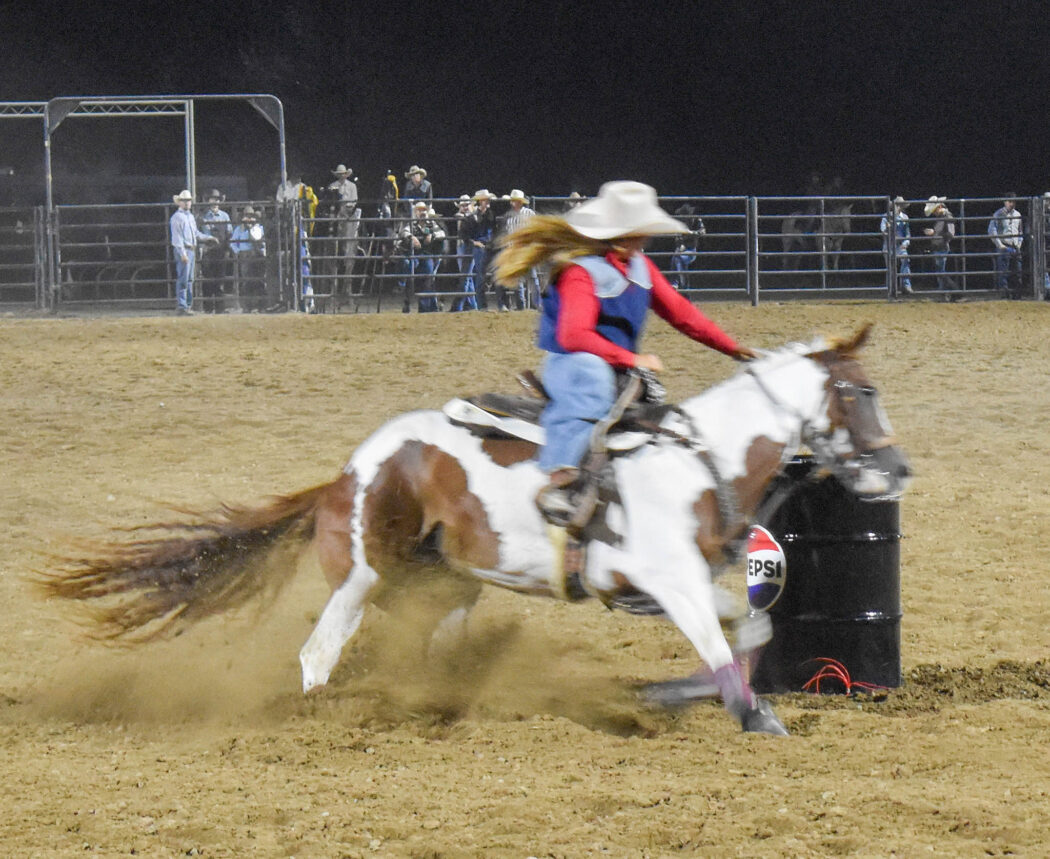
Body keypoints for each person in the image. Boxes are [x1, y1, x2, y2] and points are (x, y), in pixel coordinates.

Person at [494, 180, 757, 524]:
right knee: (591, 383)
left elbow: (682, 313)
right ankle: (558, 478)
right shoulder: (580, 272)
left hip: (611, 364)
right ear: (624, 233)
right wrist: (631, 359)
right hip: (573, 363)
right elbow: (574, 336)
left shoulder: (640, 268)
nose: (645, 238)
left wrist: (732, 347)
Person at [169, 189, 218, 315]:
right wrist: (182, 253)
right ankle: (183, 306)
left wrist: (208, 237)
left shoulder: (189, 217)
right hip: (185, 249)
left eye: (188, 201)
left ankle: (186, 306)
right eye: (184, 201)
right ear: (180, 202)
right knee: (184, 279)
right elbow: (177, 238)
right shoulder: (177, 218)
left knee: (189, 279)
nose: (187, 203)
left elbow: (195, 233)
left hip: (190, 249)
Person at [398, 200, 446, 313]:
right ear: (416, 212)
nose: (422, 212)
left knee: (428, 276)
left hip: (427, 254)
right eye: (419, 210)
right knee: (410, 270)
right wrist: (411, 237)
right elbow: (403, 233)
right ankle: (406, 295)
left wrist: (432, 235)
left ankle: (424, 307)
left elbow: (442, 233)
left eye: (424, 210)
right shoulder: (411, 224)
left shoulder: (431, 223)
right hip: (414, 255)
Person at [498, 189, 540, 309]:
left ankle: (537, 303)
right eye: (513, 201)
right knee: (519, 279)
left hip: (526, 249)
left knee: (532, 277)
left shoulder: (529, 214)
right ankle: (521, 305)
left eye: (516, 201)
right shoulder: (508, 216)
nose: (514, 203)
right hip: (514, 250)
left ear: (520, 202)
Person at [327, 164, 360, 296]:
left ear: (346, 174)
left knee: (350, 246)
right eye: (339, 174)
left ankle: (347, 286)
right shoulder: (332, 186)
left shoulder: (352, 186)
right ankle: (334, 286)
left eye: (343, 174)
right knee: (333, 249)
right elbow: (330, 203)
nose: (341, 176)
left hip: (349, 218)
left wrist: (345, 206)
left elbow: (354, 202)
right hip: (336, 220)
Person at [199, 189, 232, 313]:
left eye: (217, 199)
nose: (215, 202)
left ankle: (219, 307)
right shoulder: (202, 216)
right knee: (208, 279)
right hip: (207, 251)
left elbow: (229, 233)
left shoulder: (225, 216)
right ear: (208, 201)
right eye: (212, 199)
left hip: (220, 251)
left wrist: (227, 249)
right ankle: (208, 307)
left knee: (219, 279)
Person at [465, 189, 498, 310]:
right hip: (480, 246)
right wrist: (475, 242)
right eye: (485, 199)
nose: (488, 201)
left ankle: (484, 302)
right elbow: (465, 234)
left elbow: (494, 229)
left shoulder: (490, 214)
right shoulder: (473, 217)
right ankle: (481, 305)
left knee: (488, 272)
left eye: (488, 199)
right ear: (480, 201)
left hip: (489, 244)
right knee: (481, 274)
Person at [231, 206, 267, 311]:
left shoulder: (259, 228)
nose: (249, 219)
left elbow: (264, 243)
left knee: (259, 281)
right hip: (245, 256)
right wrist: (239, 252)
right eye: (247, 216)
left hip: (258, 256)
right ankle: (247, 307)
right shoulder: (239, 229)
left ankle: (260, 306)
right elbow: (233, 243)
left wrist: (262, 251)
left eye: (251, 217)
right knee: (246, 282)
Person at [988, 194, 1023, 298]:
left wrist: (1019, 243)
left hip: (1015, 246)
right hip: (1005, 246)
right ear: (1005, 202)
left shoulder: (1017, 214)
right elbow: (992, 230)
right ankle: (1004, 293)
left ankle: (1017, 293)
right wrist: (999, 244)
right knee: (1004, 271)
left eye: (1014, 202)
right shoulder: (998, 214)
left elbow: (1020, 230)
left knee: (1017, 271)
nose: (1012, 204)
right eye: (1010, 201)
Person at [922, 196, 957, 297]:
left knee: (941, 272)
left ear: (940, 206)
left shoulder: (947, 217)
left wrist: (935, 234)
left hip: (942, 247)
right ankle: (946, 293)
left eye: (934, 210)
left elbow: (950, 234)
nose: (934, 213)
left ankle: (955, 291)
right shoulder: (942, 218)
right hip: (939, 247)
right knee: (940, 271)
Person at [880, 196, 913, 296]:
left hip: (900, 245)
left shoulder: (905, 218)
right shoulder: (886, 217)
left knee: (905, 260)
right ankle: (891, 288)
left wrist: (905, 243)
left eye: (900, 206)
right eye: (897, 205)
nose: (899, 207)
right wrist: (887, 229)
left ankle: (905, 285)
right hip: (889, 245)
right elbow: (883, 231)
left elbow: (907, 233)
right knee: (890, 267)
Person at [669, 202, 706, 290]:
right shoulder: (680, 223)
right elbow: (677, 237)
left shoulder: (696, 219)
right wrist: (681, 245)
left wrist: (691, 233)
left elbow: (703, 231)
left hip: (691, 249)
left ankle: (677, 284)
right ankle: (680, 285)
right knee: (677, 258)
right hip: (683, 250)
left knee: (677, 258)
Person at [450, 194, 478, 311]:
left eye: (467, 205)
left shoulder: (474, 216)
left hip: (469, 245)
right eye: (463, 205)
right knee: (467, 276)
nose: (465, 207)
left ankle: (459, 305)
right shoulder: (461, 215)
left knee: (465, 276)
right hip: (461, 245)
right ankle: (472, 305)